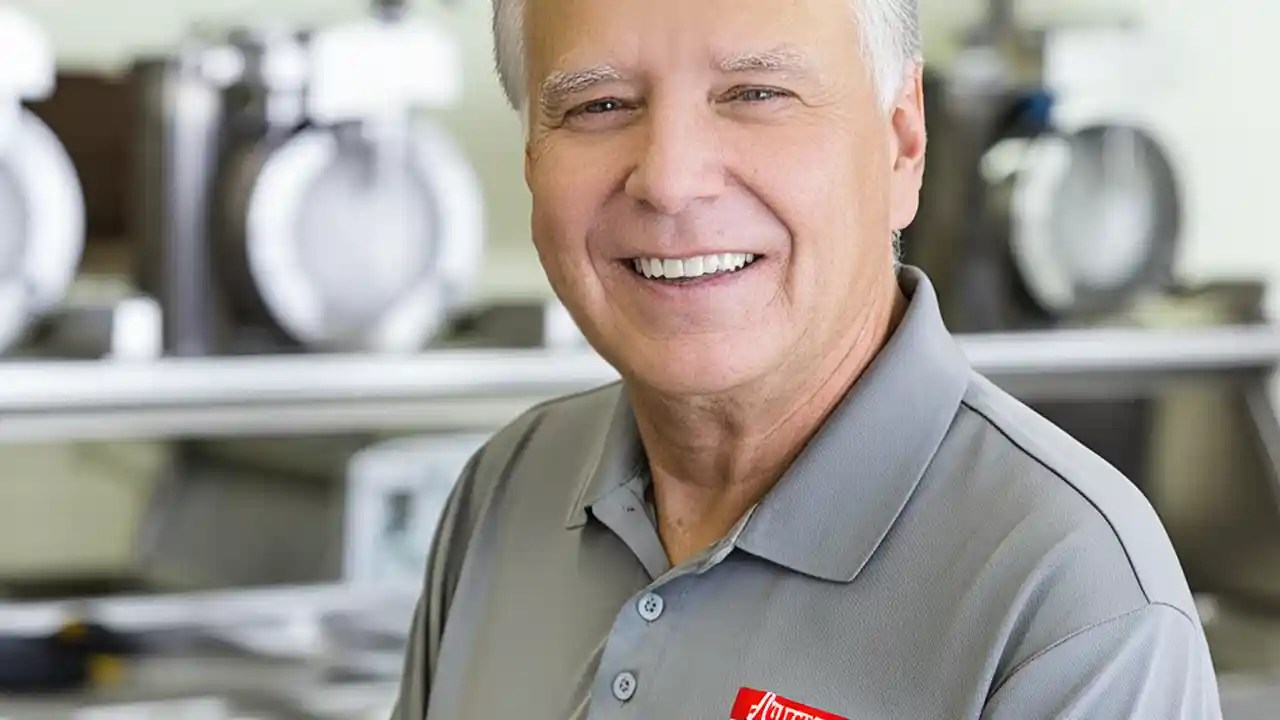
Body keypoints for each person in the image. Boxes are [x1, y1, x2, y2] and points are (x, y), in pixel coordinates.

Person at [392, 0, 1223, 717]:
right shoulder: (507, 487)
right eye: (600, 105)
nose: (671, 181)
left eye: (756, 94)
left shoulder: (1074, 602)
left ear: (902, 144)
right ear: (533, 159)